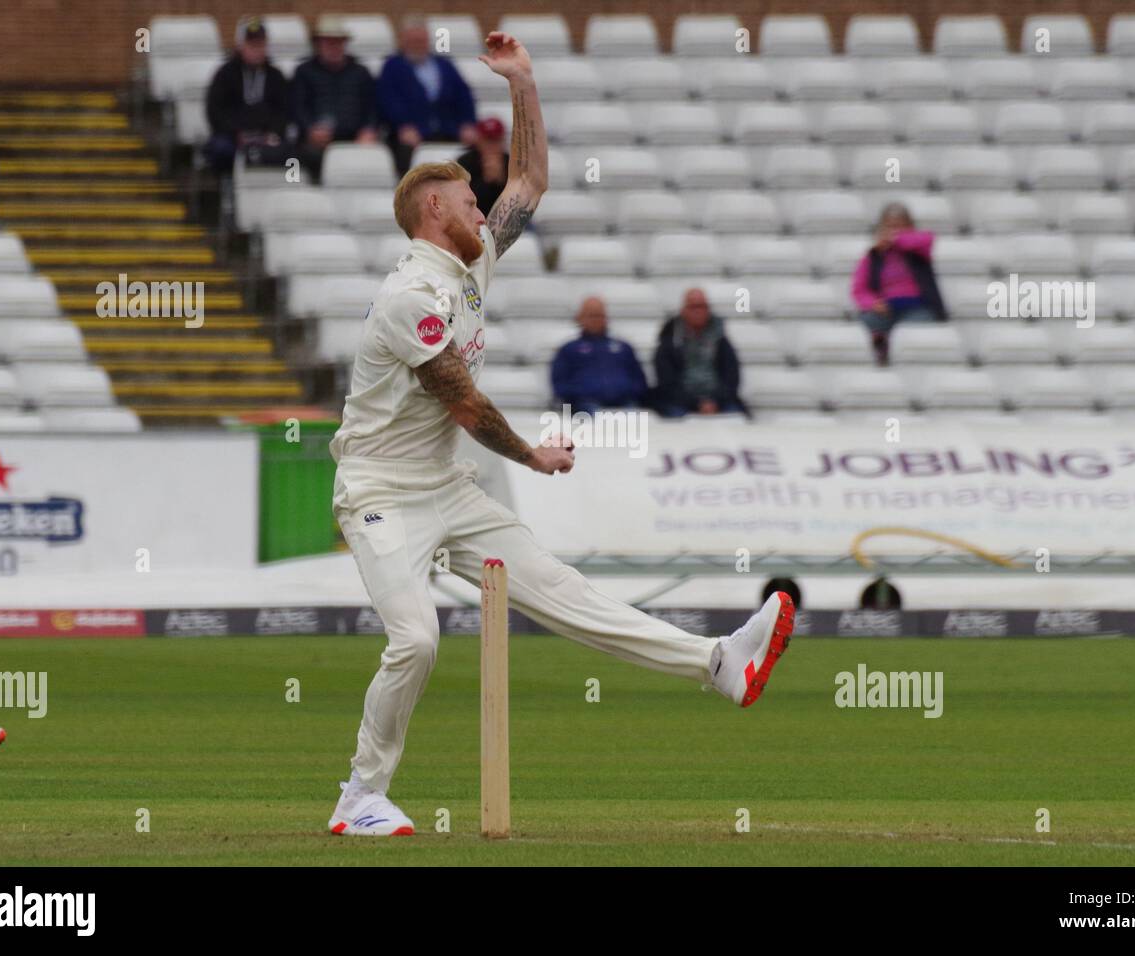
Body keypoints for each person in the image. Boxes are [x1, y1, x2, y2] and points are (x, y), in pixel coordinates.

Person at [326, 32, 793, 837]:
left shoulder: (469, 268)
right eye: (470, 201)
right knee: (417, 640)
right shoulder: (411, 295)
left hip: (445, 490)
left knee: (565, 594)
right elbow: (466, 406)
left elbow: (532, 178)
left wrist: (523, 82)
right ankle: (360, 795)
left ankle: (719, 664)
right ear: (432, 212)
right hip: (379, 495)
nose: (484, 208)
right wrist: (535, 456)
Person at [376, 15, 479, 176]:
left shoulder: (444, 65)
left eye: (421, 40)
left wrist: (467, 123)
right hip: (411, 135)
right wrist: (402, 126)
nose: (418, 45)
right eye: (413, 41)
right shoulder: (392, 66)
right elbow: (387, 100)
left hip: (448, 130)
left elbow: (463, 95)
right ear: (403, 41)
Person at [851, 203, 947, 367]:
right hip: (887, 311)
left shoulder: (917, 248)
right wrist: (873, 303)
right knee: (865, 323)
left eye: (899, 226)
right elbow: (859, 289)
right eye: (889, 226)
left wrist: (896, 239)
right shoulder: (873, 256)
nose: (894, 231)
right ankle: (882, 350)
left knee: (911, 332)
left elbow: (927, 239)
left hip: (917, 309)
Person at [290, 16, 379, 182]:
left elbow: (372, 106)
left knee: (372, 157)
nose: (334, 47)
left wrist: (368, 129)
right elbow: (298, 106)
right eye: (328, 42)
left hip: (355, 138)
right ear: (318, 44)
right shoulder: (304, 72)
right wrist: (310, 129)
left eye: (338, 42)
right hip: (318, 140)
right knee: (308, 155)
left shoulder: (361, 73)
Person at [204, 17, 292, 174]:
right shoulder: (225, 75)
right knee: (220, 149)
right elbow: (215, 111)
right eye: (252, 45)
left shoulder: (275, 76)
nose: (256, 50)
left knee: (291, 152)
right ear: (240, 46)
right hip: (233, 137)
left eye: (260, 44)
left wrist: (272, 132)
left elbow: (283, 111)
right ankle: (226, 190)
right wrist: (236, 133)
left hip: (267, 136)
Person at [652, 288, 747, 417]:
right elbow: (667, 382)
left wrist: (714, 402)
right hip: (679, 402)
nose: (698, 311)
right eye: (693, 307)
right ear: (683, 310)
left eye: (702, 306)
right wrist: (697, 404)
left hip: (718, 402)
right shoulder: (669, 342)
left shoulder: (721, 341)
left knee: (736, 418)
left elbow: (731, 378)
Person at [550, 296, 648, 414]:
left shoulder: (623, 348)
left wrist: (624, 391)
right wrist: (583, 392)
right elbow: (560, 385)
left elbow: (639, 381)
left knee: (637, 418)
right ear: (580, 318)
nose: (596, 320)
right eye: (591, 315)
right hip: (585, 406)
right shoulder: (569, 349)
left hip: (624, 403)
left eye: (600, 315)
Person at [456, 116, 509, 214]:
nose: (491, 145)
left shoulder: (512, 163)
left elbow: (517, 203)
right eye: (487, 140)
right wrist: (487, 180)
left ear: (503, 141)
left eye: (496, 140)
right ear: (479, 140)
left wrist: (501, 180)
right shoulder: (465, 162)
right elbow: (464, 200)